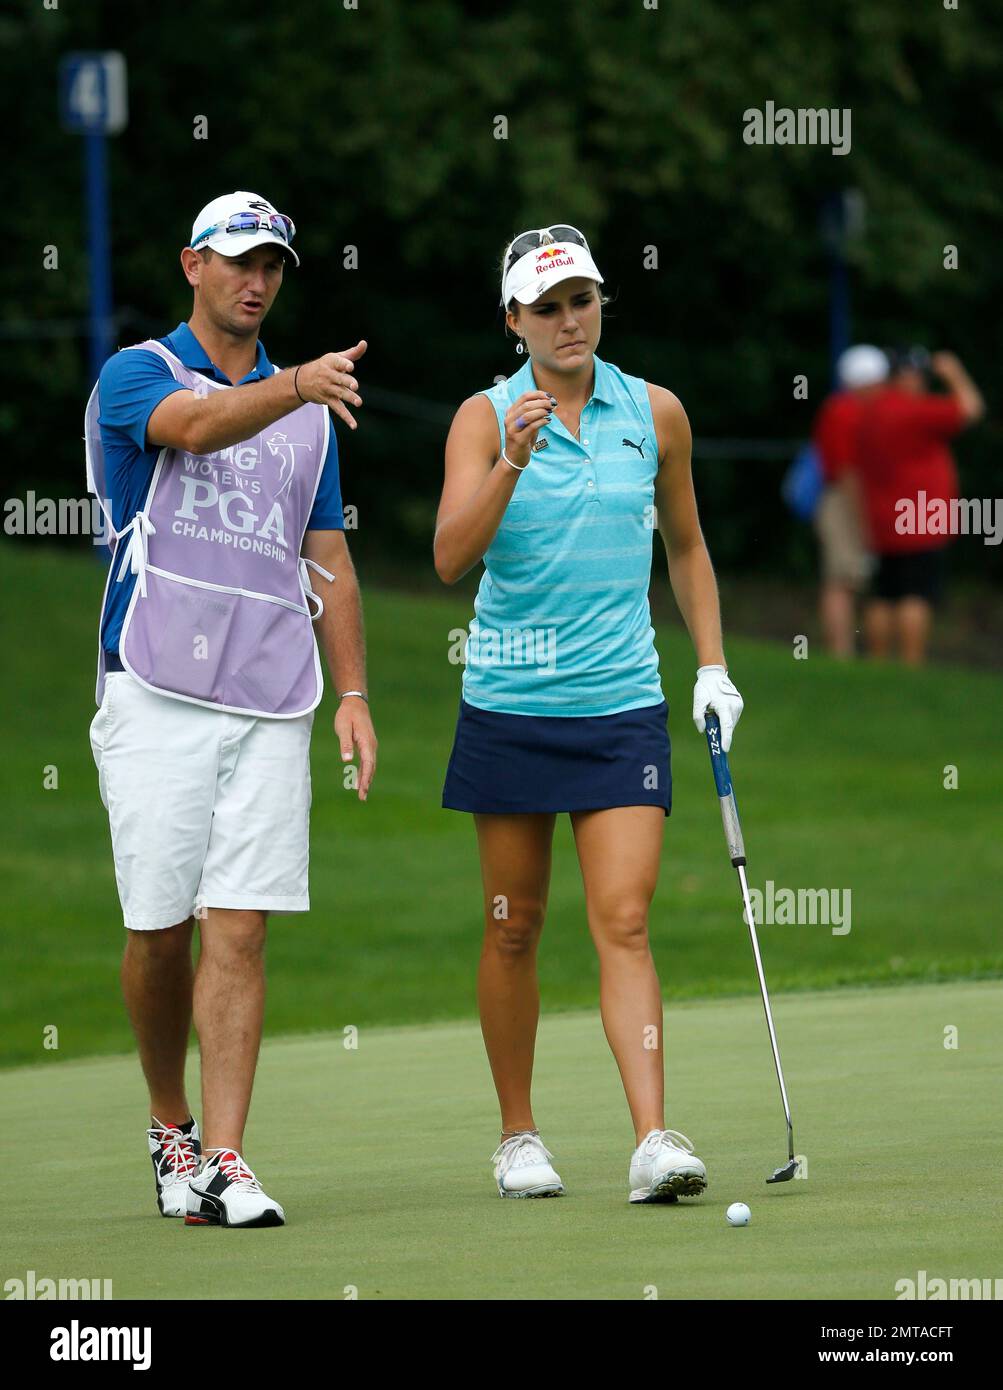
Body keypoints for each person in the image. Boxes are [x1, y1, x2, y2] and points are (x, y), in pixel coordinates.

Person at [434, 225, 744, 1204]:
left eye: (582, 300)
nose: (569, 321)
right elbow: (448, 556)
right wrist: (513, 461)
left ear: (600, 305)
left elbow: (686, 549)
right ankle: (516, 1135)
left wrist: (711, 667)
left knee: (624, 918)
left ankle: (652, 1136)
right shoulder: (483, 420)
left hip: (620, 703)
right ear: (514, 319)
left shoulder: (654, 412)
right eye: (547, 305)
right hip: (510, 703)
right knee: (512, 926)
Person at [85, 191, 376, 1228]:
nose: (257, 280)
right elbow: (198, 427)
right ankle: (169, 1125)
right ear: (192, 265)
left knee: (241, 928)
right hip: (154, 686)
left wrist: (352, 693)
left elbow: (327, 553)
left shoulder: (308, 414)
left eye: (274, 266)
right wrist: (299, 383)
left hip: (268, 697)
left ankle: (225, 1158)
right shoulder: (137, 374)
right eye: (239, 260)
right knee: (160, 930)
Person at [855, 347, 984, 665]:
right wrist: (954, 373)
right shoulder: (915, 411)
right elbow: (971, 409)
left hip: (881, 516)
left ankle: (878, 662)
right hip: (919, 517)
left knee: (884, 593)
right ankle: (911, 665)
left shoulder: (871, 411)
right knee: (916, 594)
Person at [811, 344, 889, 657]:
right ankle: (841, 655)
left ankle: (849, 654)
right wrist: (862, 516)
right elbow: (845, 472)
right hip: (844, 502)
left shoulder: (839, 408)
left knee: (849, 580)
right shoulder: (846, 412)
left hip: (845, 498)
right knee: (841, 581)